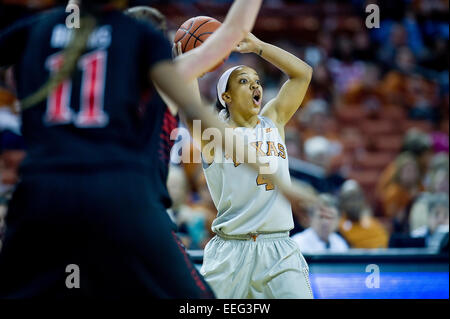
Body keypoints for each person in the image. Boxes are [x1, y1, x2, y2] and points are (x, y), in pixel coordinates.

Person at [0, 0, 263, 298]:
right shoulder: (159, 72)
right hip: (133, 208)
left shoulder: (77, 64)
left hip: (56, 200)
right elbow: (228, 35)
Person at [191, 33, 315, 299]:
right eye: (244, 82)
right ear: (227, 96)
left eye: (257, 82)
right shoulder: (214, 135)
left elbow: (303, 74)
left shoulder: (274, 120)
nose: (255, 87)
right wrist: (189, 66)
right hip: (231, 250)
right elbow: (190, 108)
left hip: (278, 248)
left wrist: (259, 47)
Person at [338, 180, 389, 249]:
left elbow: (382, 244)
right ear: (342, 203)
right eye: (349, 199)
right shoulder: (338, 227)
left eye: (356, 198)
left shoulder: (373, 224)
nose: (354, 204)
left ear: (363, 201)